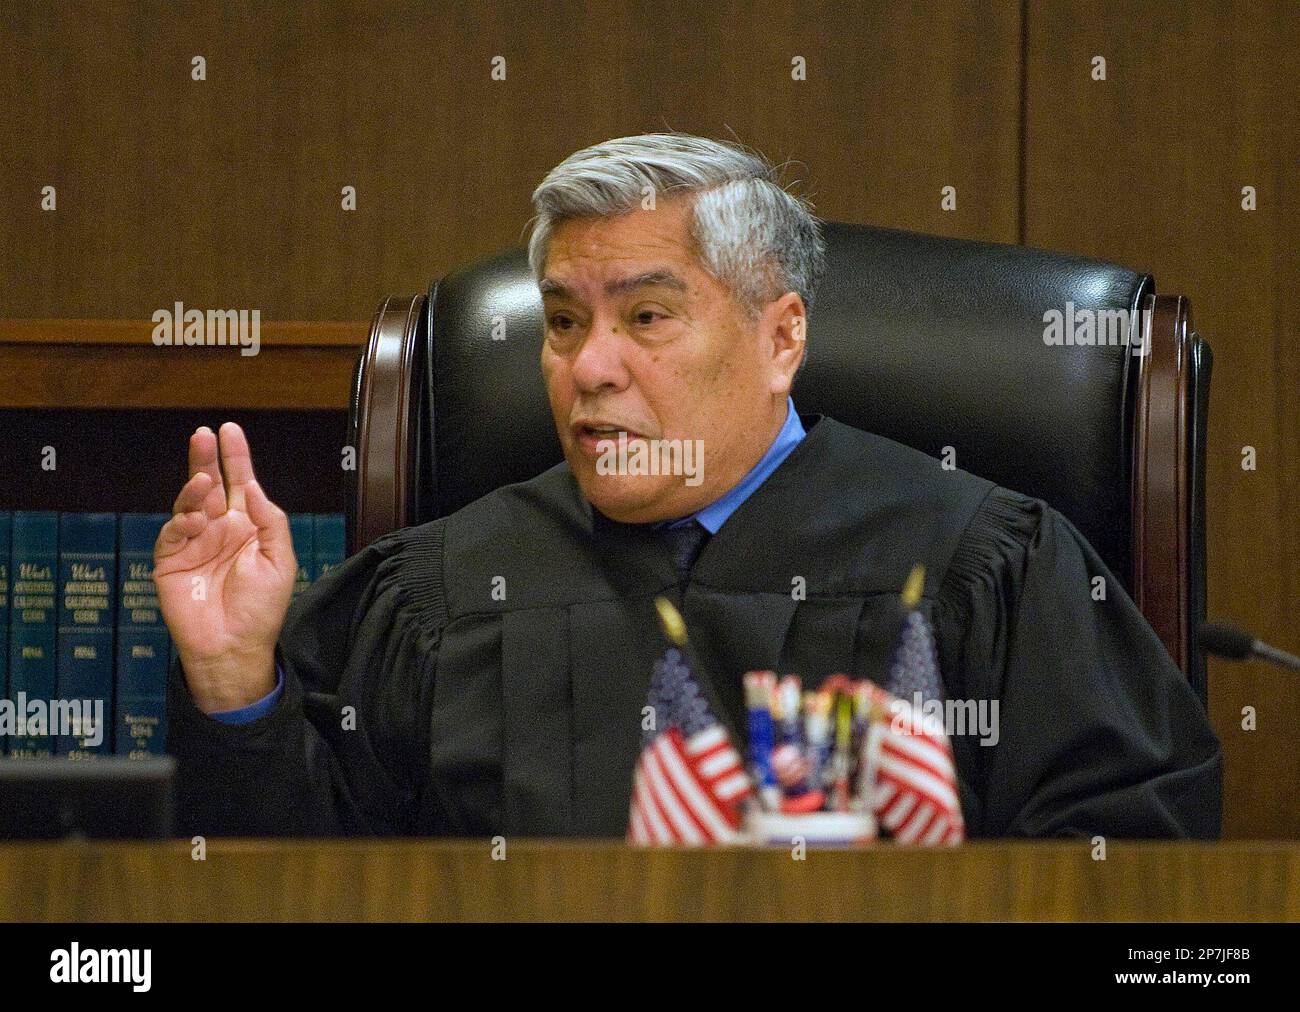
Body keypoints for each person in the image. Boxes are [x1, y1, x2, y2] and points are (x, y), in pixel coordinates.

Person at [158, 133, 1221, 839]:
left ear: (780, 336)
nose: (589, 366)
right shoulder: (440, 589)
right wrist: (235, 681)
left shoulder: (980, 565)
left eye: (647, 317)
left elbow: (1127, 867)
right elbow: (292, 890)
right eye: (563, 321)